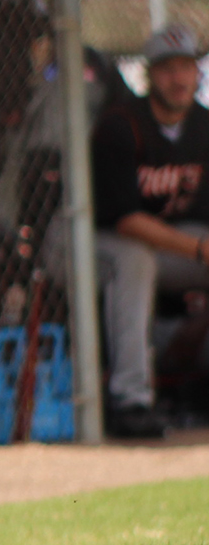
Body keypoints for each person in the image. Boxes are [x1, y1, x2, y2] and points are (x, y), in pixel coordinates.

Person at [58, 24, 209, 439]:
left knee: (146, 258)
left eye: (186, 67)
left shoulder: (204, 127)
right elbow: (125, 219)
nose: (178, 78)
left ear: (198, 73)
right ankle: (131, 400)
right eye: (166, 69)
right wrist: (198, 249)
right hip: (90, 241)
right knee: (135, 260)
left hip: (174, 246)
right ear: (148, 75)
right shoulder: (120, 126)